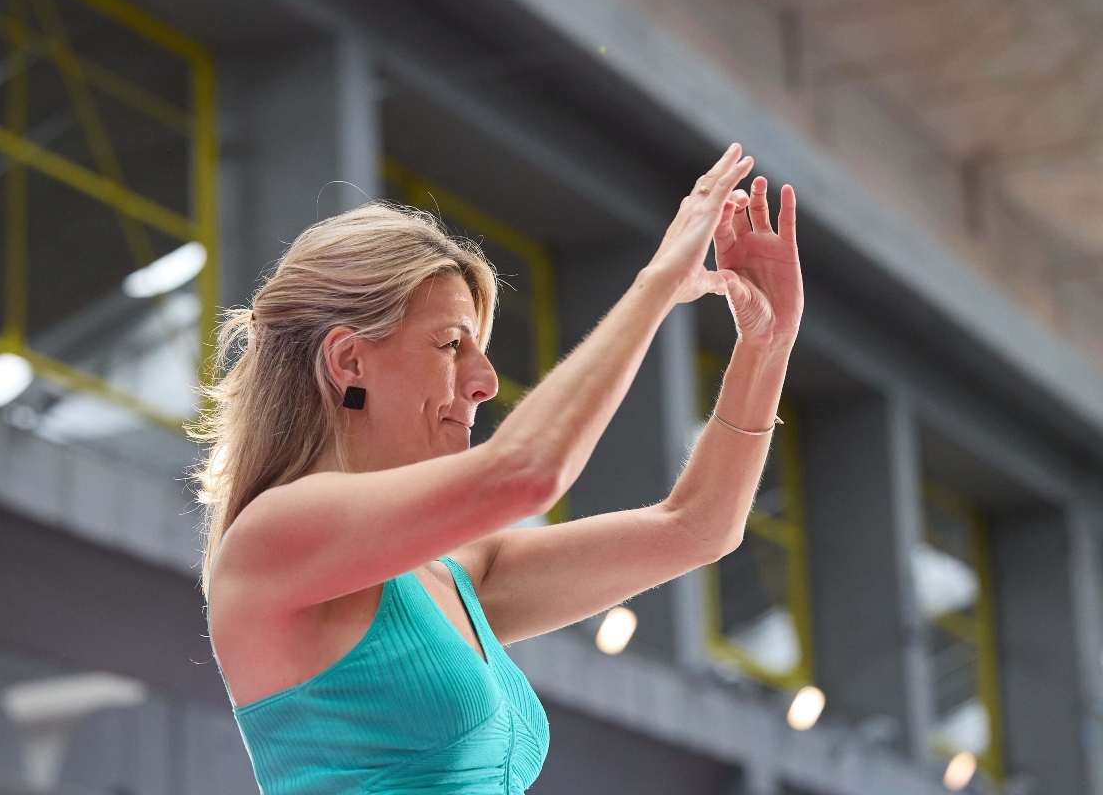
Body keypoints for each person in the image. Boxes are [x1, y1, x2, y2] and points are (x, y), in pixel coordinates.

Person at [199, 143, 802, 794]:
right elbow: (528, 472)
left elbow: (699, 527)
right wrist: (655, 284)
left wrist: (766, 347)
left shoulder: (457, 574)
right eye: (452, 344)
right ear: (349, 362)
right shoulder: (276, 535)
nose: (485, 381)